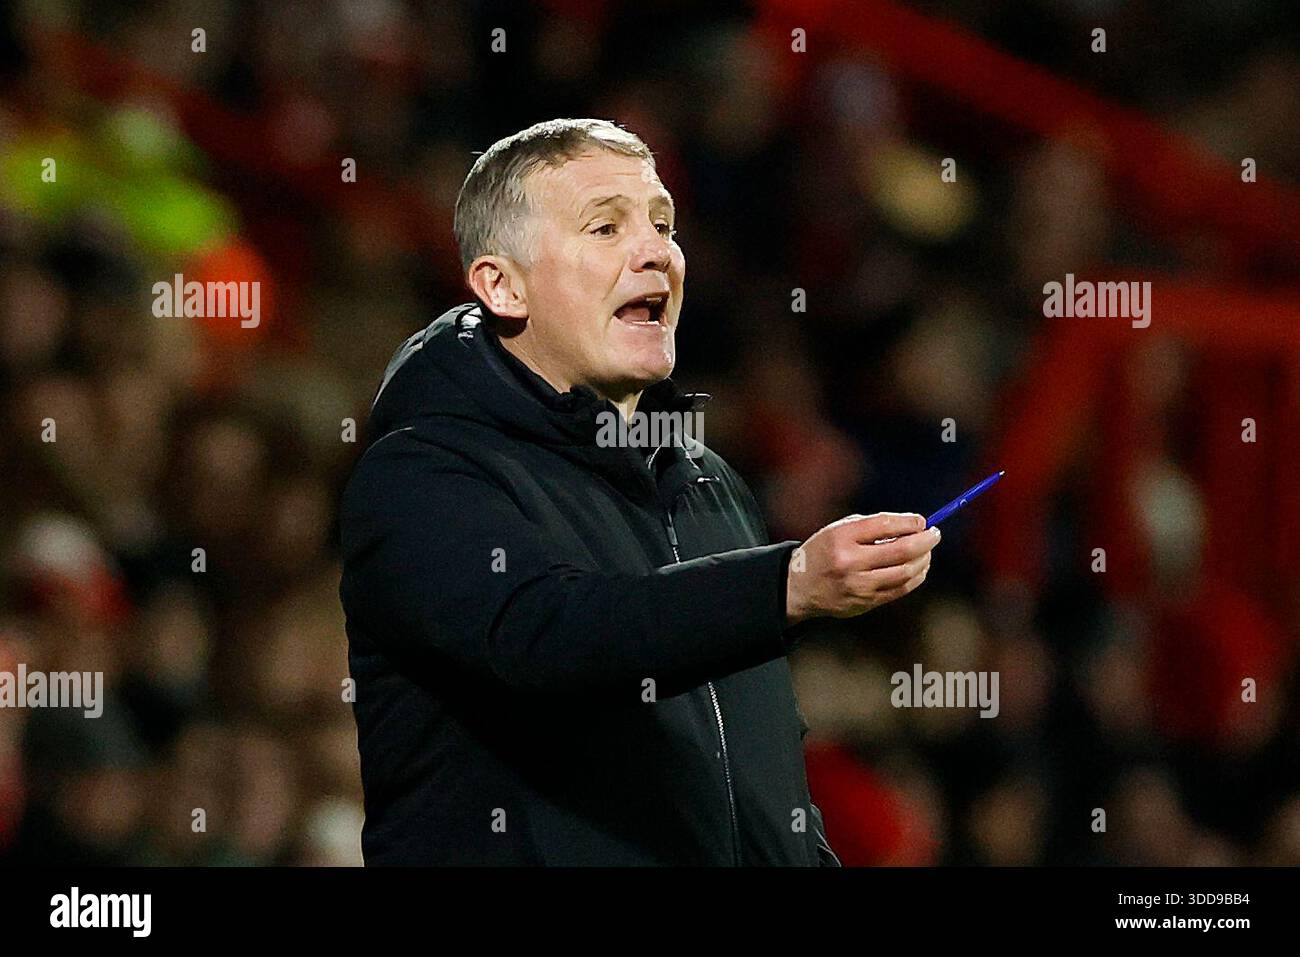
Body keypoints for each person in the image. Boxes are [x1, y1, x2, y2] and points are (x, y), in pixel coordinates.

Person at [338, 118, 941, 865]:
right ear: (502, 285)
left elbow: (760, 777)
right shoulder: (424, 474)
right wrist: (785, 584)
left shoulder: (709, 483)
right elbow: (551, 637)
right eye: (605, 227)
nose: (655, 250)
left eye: (663, 223)